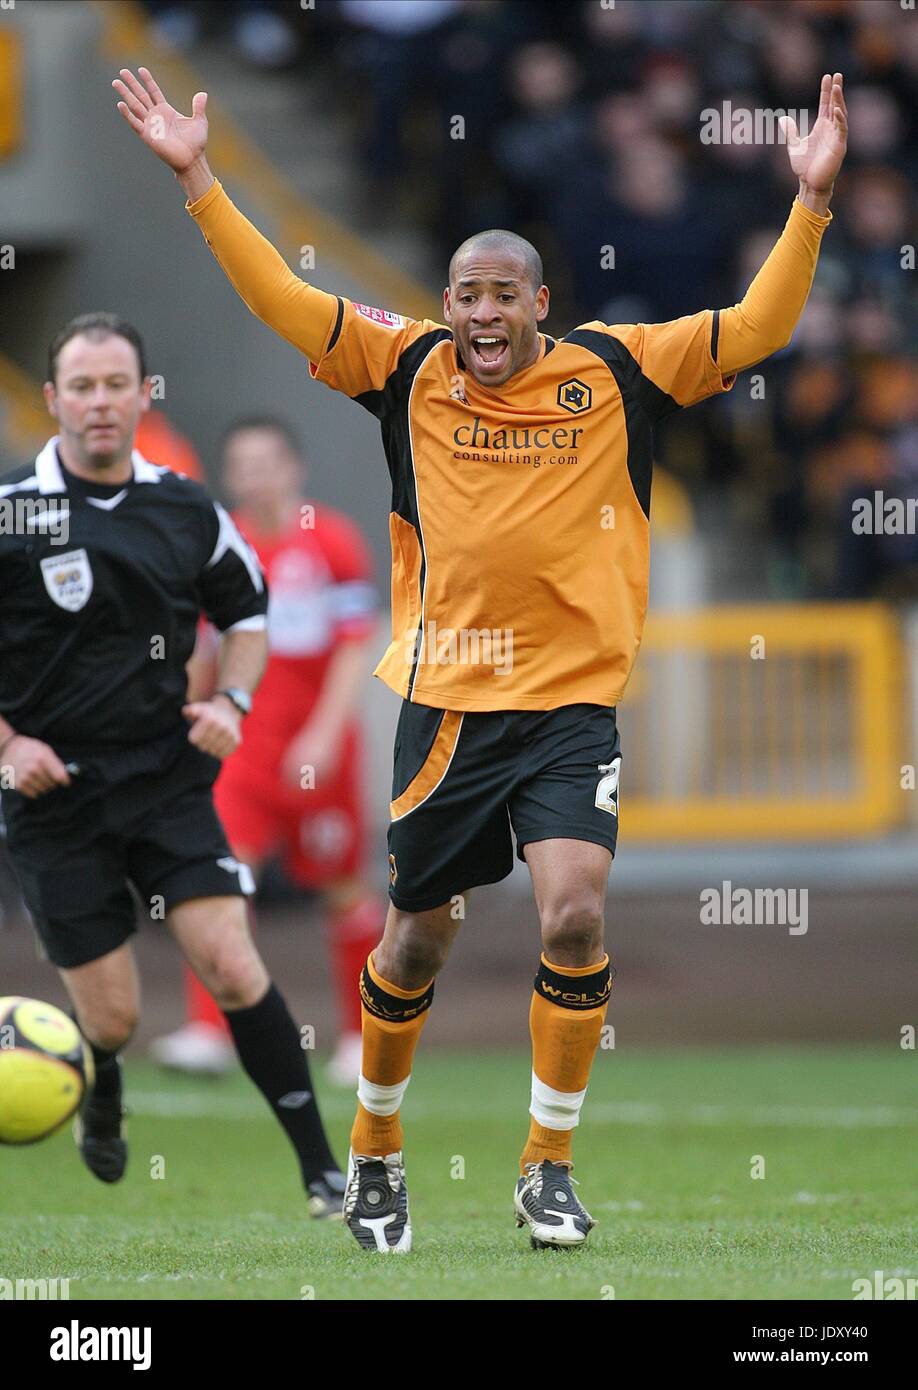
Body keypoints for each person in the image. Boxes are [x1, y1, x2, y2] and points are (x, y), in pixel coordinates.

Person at [113, 67, 848, 1252]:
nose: (482, 316)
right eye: (465, 295)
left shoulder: (614, 368)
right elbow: (282, 303)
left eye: (502, 295)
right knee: (416, 940)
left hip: (569, 707)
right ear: (445, 302)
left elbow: (760, 331)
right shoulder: (405, 368)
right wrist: (200, 179)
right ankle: (379, 1151)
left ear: (539, 301)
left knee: (572, 916)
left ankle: (546, 1165)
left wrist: (809, 204)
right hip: (448, 706)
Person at [0, 312, 345, 1218]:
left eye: (117, 384)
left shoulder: (187, 507)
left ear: (144, 395)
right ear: (52, 401)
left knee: (232, 963)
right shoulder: (11, 511)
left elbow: (249, 618)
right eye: (82, 386)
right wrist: (11, 744)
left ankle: (325, 1173)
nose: (100, 402)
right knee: (111, 1018)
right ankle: (100, 1083)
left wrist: (232, 701)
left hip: (164, 778)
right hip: (53, 797)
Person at [150, 416, 383, 1084]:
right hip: (241, 747)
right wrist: (184, 724)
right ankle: (208, 1030)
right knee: (219, 875)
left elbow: (353, 644)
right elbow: (202, 644)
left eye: (266, 462)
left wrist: (324, 731)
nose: (255, 475)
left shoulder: (332, 541)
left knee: (343, 888)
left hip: (318, 749)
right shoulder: (220, 542)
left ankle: (363, 1038)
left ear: (293, 467)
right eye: (241, 464)